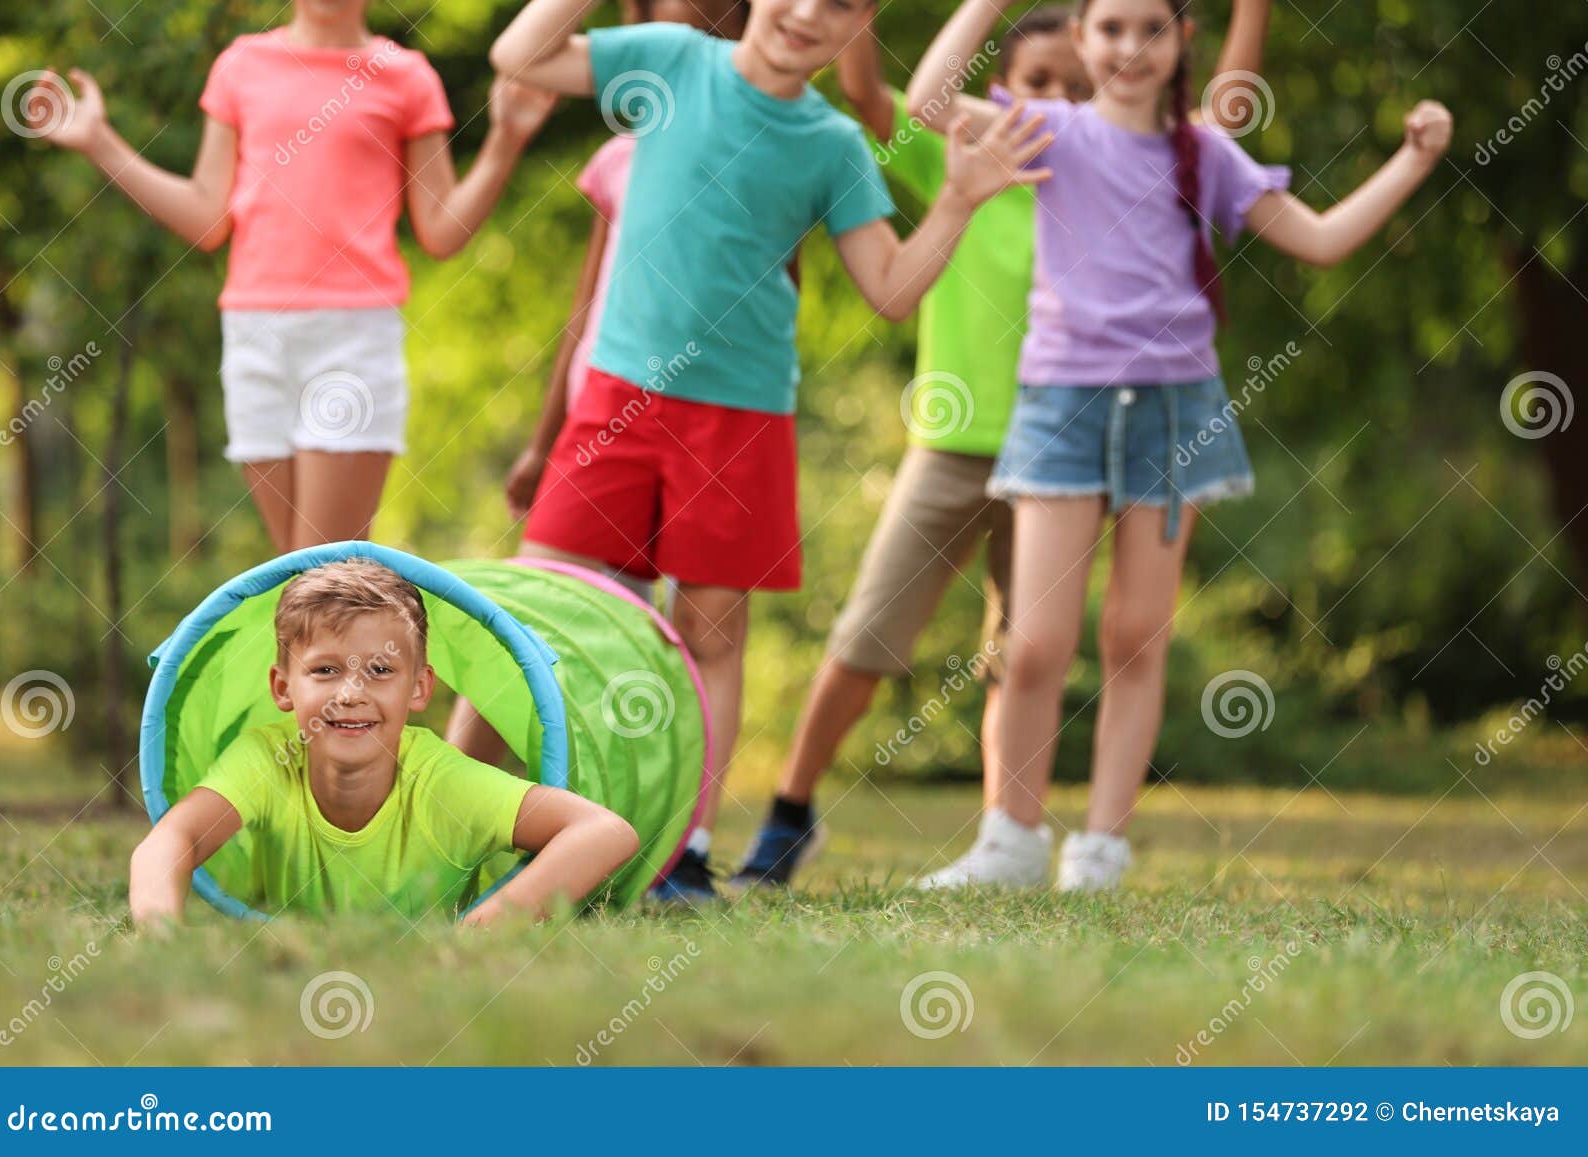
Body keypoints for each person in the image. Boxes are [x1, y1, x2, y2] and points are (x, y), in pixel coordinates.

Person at [481, 0, 1054, 902]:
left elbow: (894, 290)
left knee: (711, 632)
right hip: (620, 397)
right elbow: (519, 51)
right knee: (530, 611)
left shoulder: (830, 144)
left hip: (741, 418)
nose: (807, 14)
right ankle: (452, 812)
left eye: (839, 5)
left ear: (858, 23)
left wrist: (958, 198)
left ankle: (682, 852)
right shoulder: (669, 62)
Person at [905, 0, 1451, 890]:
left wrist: (1414, 159)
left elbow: (1320, 239)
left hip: (1173, 410)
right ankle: (1009, 839)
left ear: (1181, 42)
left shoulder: (1206, 153)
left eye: (1149, 28)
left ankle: (1102, 848)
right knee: (1035, 642)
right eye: (1110, 28)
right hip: (1061, 407)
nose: (1128, 47)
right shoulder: (1050, 130)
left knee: (1133, 636)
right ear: (1081, 40)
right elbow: (928, 104)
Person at [731, 0, 1273, 890]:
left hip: (1066, 452)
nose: (1058, 95)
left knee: (1026, 651)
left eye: (1070, 82)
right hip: (954, 447)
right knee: (867, 639)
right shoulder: (968, 161)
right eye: (1038, 82)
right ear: (1001, 90)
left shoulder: (1115, 166)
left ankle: (1008, 840)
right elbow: (871, 91)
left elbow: (1221, 114)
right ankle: (789, 810)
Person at [31, 0, 556, 552]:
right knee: (301, 578)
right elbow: (209, 218)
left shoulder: (406, 76)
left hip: (351, 336)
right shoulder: (241, 67)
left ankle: (384, 636)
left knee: (322, 576)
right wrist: (98, 141)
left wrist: (507, 139)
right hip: (254, 335)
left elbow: (442, 230)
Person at [129, 559, 639, 927]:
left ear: (418, 688)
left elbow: (606, 831)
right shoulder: (268, 757)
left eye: (379, 670)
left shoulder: (444, 784)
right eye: (325, 670)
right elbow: (171, 842)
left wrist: (481, 933)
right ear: (283, 689)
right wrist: (159, 937)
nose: (351, 694)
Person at [497, 0, 754, 625]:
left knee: (686, 631)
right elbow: (583, 310)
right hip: (602, 411)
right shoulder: (621, 156)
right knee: (547, 611)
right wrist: (541, 441)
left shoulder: (768, 144)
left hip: (709, 421)